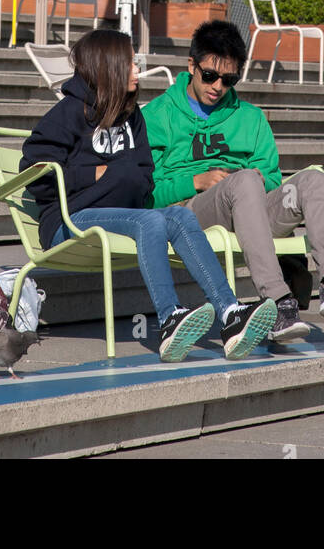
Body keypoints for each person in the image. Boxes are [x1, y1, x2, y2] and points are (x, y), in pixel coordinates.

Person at [20, 28, 276, 363]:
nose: (137, 71)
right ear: (107, 67)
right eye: (130, 65)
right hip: (70, 220)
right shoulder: (68, 113)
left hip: (121, 215)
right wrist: (97, 175)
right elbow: (34, 172)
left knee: (181, 215)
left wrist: (117, 179)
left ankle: (230, 314)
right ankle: (170, 319)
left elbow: (143, 176)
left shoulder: (132, 117)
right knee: (151, 220)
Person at [142, 19, 324, 343]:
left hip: (251, 206)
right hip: (192, 214)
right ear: (191, 65)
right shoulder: (156, 116)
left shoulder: (251, 117)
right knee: (244, 180)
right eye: (209, 75)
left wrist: (259, 179)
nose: (218, 86)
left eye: (229, 79)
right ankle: (277, 303)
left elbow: (271, 175)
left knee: (312, 179)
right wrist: (195, 181)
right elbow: (145, 193)